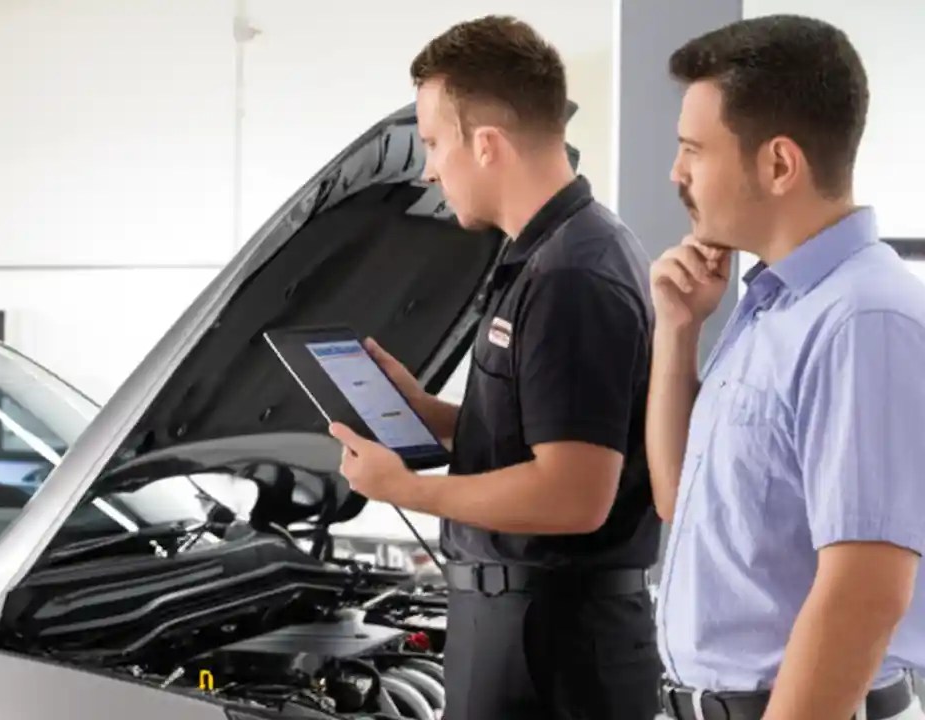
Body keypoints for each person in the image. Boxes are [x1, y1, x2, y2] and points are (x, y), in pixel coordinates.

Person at [327, 15, 661, 719]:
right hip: (527, 629)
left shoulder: (574, 274)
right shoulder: (554, 255)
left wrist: (405, 491)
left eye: (433, 143)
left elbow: (574, 494)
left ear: (486, 145)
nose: (427, 169)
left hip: (551, 644)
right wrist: (431, 414)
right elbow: (540, 440)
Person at [648, 14, 925, 720]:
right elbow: (681, 506)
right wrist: (678, 334)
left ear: (778, 164)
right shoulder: (773, 307)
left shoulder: (864, 318)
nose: (675, 173)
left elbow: (864, 589)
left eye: (692, 150)